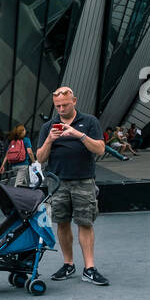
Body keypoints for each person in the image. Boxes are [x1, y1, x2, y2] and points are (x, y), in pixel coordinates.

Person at [35, 87, 109, 286]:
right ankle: (68, 263)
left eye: (65, 105)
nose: (61, 108)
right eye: (57, 106)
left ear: (74, 101)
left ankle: (89, 268)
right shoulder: (49, 126)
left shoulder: (89, 122)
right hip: (57, 182)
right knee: (62, 222)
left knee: (85, 222)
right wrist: (50, 140)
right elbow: (40, 158)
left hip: (84, 180)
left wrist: (79, 135)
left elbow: (100, 149)